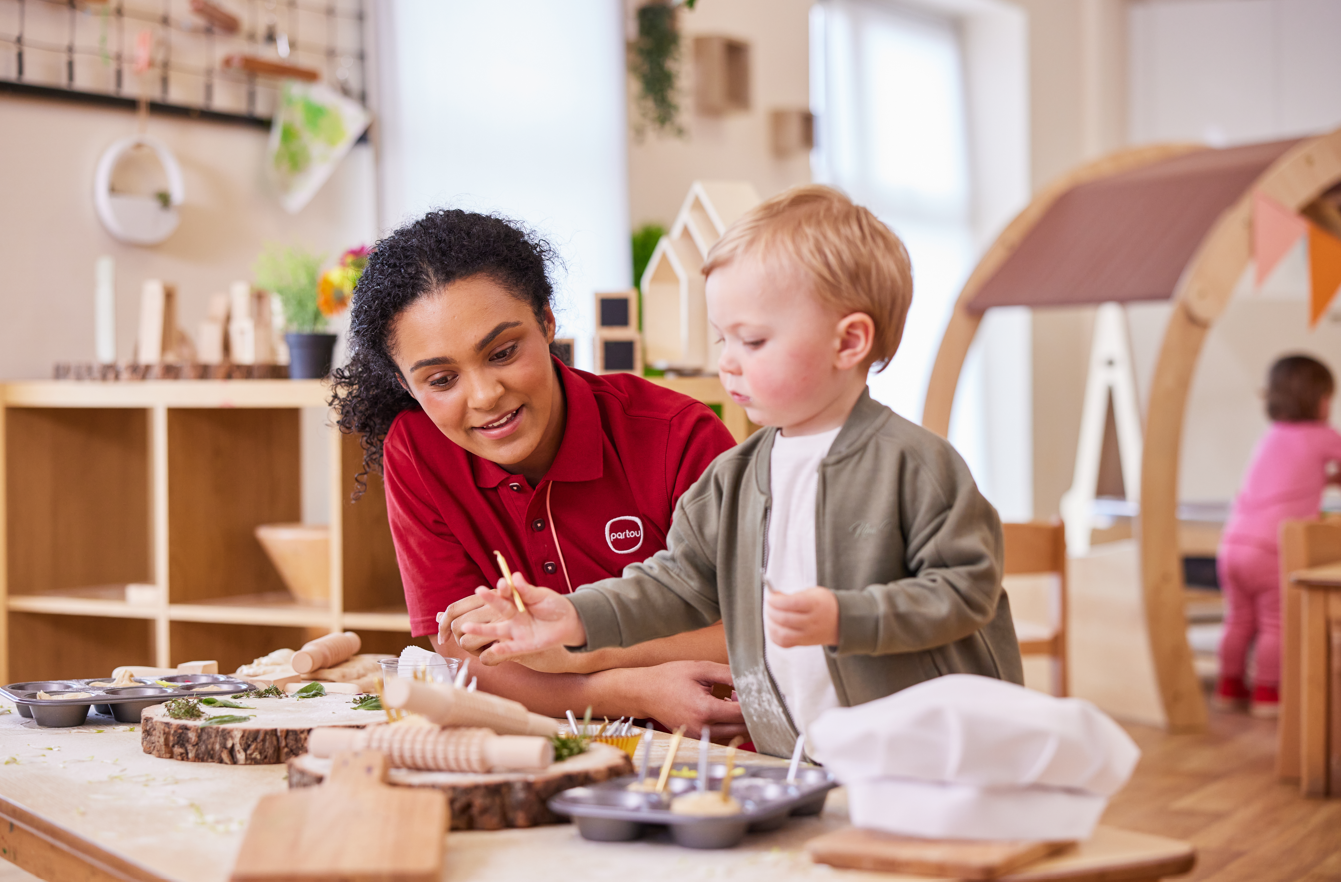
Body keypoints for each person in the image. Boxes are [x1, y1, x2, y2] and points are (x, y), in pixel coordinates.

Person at [457, 186, 1024, 758]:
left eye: (752, 340)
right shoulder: (732, 479)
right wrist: (574, 615)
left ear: (849, 341)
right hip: (797, 755)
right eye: (722, 337)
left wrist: (849, 616)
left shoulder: (913, 465)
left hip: (932, 755)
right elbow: (675, 584)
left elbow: (965, 589)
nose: (727, 359)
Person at [330, 209, 745, 738]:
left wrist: (577, 650)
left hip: (712, 750)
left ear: (547, 321)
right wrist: (621, 687)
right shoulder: (416, 451)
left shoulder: (677, 436)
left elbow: (753, 632)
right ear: (406, 384)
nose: (484, 396)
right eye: (441, 379)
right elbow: (464, 651)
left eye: (503, 352)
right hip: (545, 741)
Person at [1214, 354, 1341, 717]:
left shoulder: (1270, 438)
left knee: (1238, 619)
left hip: (1233, 544)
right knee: (1276, 623)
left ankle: (1229, 684)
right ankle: (1269, 693)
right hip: (1273, 549)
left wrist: (1323, 479)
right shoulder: (1323, 437)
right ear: (1321, 400)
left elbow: (1288, 478)